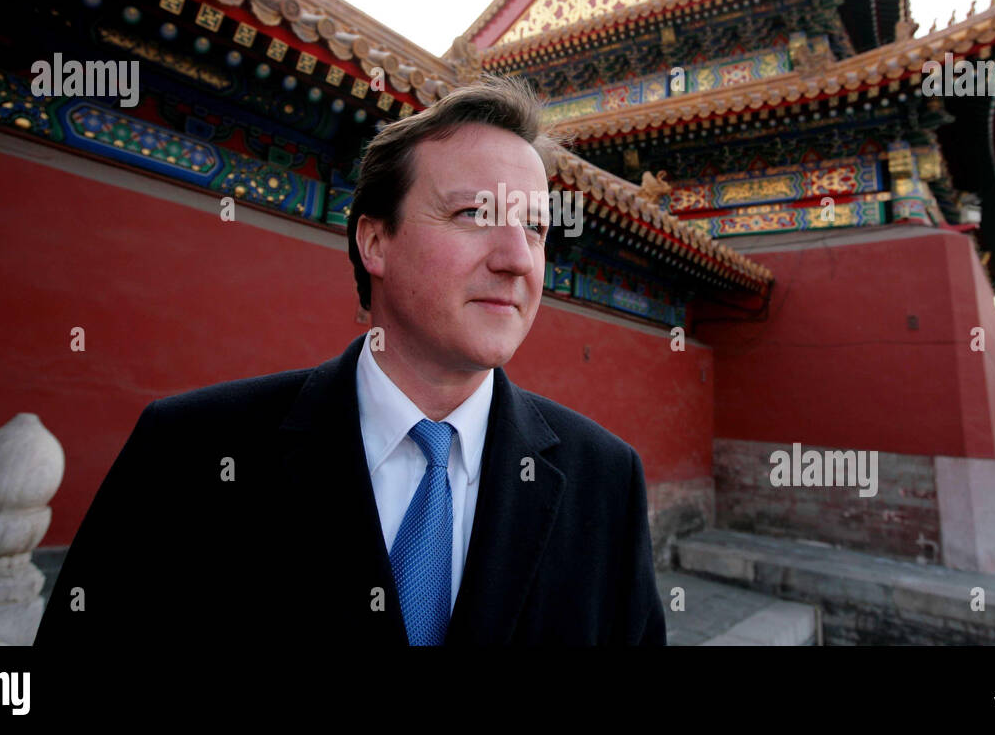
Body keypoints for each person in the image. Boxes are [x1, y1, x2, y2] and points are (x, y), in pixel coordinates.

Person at [34, 74, 666, 646]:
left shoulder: (603, 481)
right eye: (474, 213)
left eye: (533, 227)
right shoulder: (189, 453)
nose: (518, 259)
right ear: (375, 240)